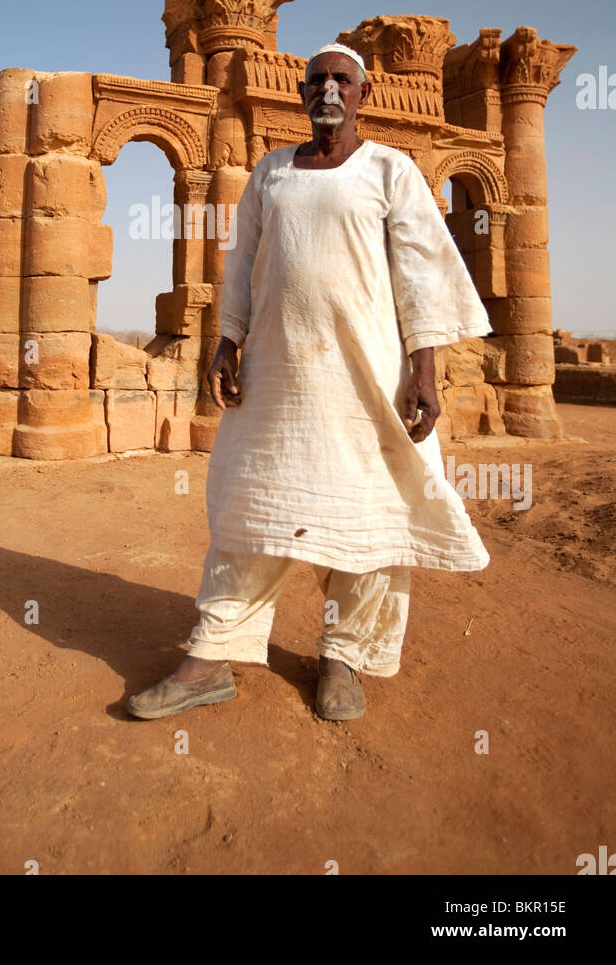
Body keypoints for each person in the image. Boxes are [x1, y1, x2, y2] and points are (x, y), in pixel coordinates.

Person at [127, 42, 492, 722]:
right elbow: (242, 267)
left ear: (363, 95)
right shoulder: (271, 173)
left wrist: (423, 371)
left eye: (342, 79)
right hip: (279, 373)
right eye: (318, 78)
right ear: (301, 94)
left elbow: (419, 277)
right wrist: (226, 342)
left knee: (366, 512)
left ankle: (343, 656)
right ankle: (209, 657)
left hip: (369, 374)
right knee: (253, 504)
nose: (329, 88)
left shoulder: (391, 170)